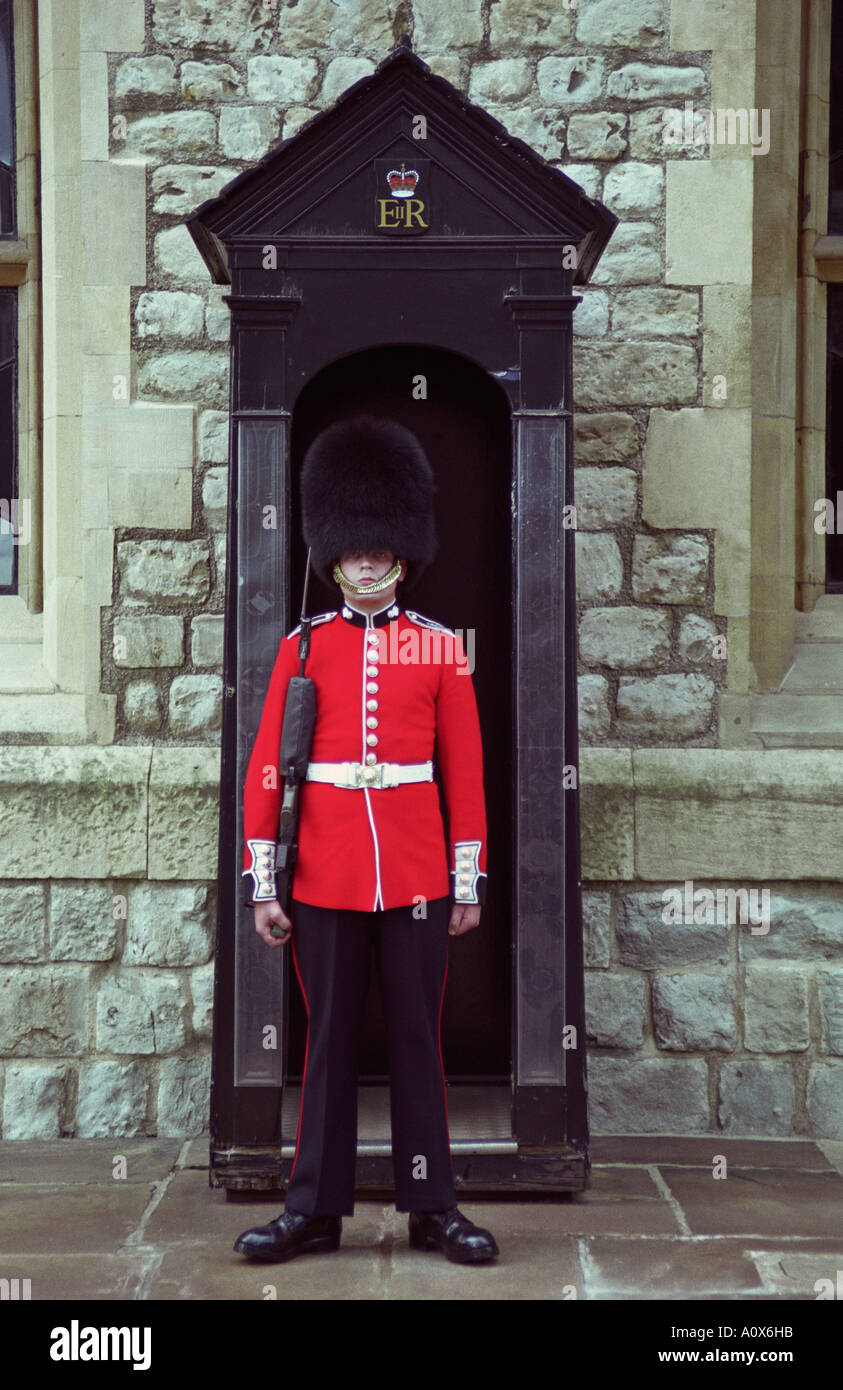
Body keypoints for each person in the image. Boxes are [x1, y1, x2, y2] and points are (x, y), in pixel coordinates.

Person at [233, 414, 499, 1266]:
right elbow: (269, 773)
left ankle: (434, 1209)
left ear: (400, 550)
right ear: (334, 553)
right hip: (323, 872)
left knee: (419, 1041)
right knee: (328, 1041)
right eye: (353, 550)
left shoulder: (439, 651)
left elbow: (464, 775)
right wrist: (264, 883)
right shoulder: (300, 649)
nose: (367, 562)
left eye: (380, 549)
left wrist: (466, 882)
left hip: (417, 874)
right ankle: (312, 1210)